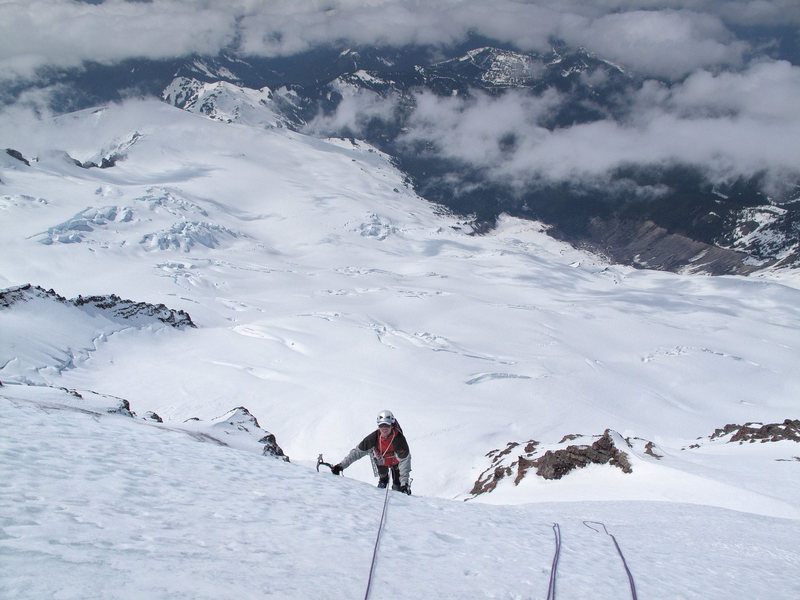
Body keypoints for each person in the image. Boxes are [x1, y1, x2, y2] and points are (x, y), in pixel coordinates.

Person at [332, 410, 411, 494]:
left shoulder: (399, 439)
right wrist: (341, 466)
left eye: (387, 425)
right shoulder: (373, 438)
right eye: (381, 425)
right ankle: (383, 480)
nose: (384, 428)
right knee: (383, 477)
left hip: (396, 463)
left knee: (397, 487)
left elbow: (404, 461)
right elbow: (356, 453)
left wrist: (404, 484)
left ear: (391, 426)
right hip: (381, 461)